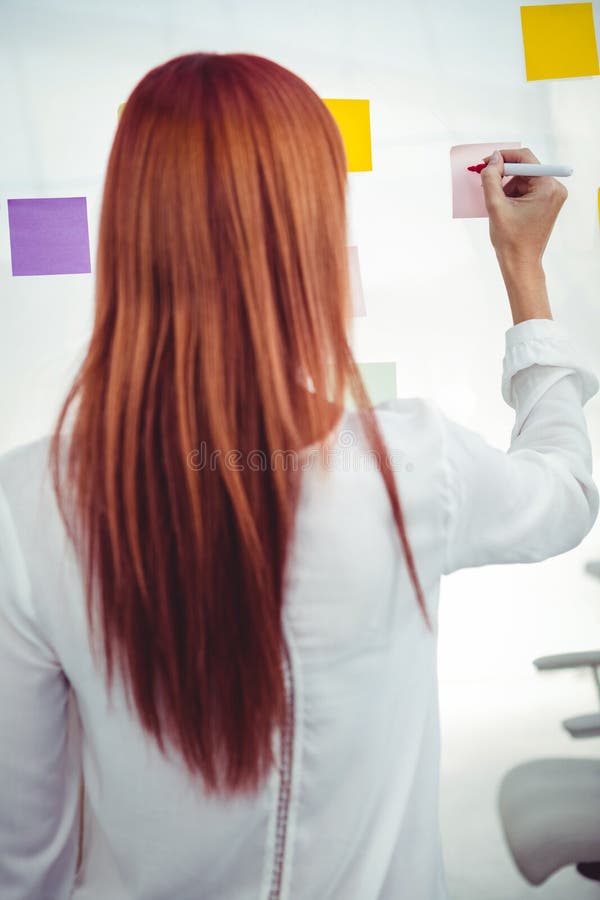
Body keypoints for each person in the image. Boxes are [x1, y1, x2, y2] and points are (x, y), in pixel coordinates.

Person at [0, 52, 597, 900]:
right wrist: (526, 274)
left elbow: (27, 871)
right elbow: (565, 491)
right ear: (311, 238)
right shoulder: (410, 465)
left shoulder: (29, 512)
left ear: (131, 235)